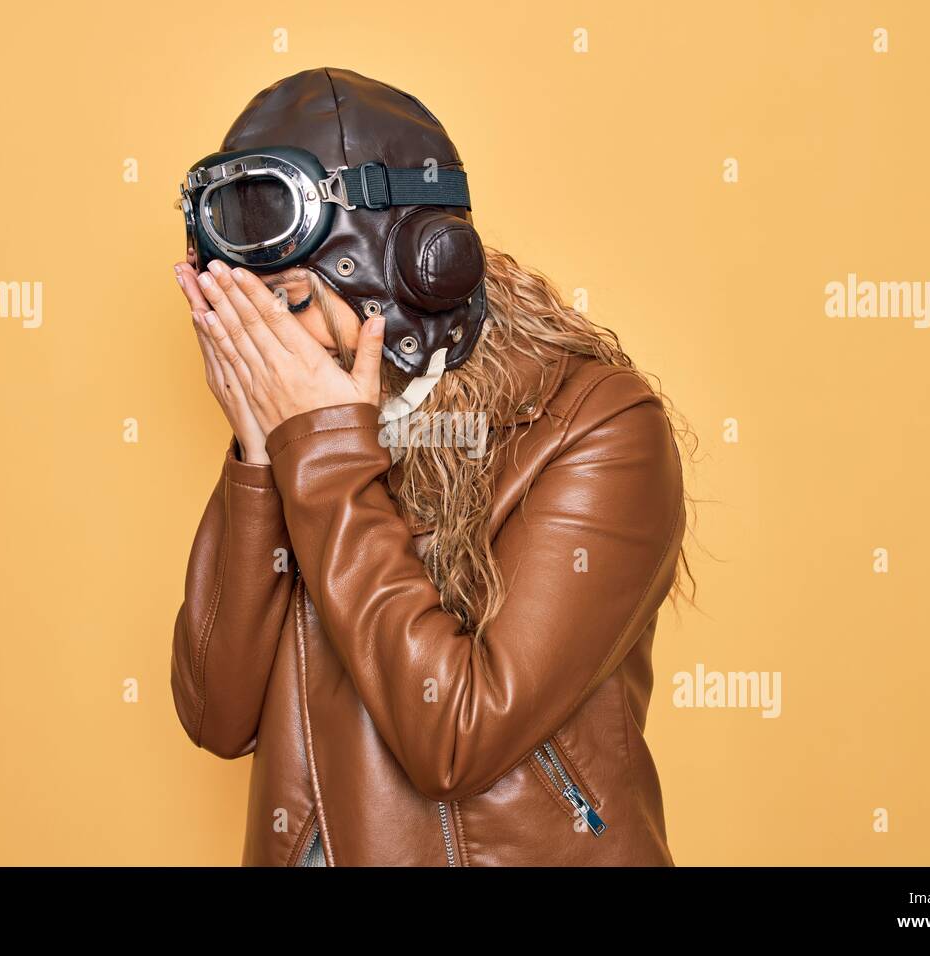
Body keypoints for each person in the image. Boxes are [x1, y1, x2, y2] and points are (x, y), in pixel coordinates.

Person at [169, 67, 695, 866]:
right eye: (251, 312)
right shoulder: (299, 428)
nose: (279, 350)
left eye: (297, 303)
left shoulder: (595, 425)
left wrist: (320, 452)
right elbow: (216, 716)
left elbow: (455, 738)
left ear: (415, 270)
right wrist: (255, 454)